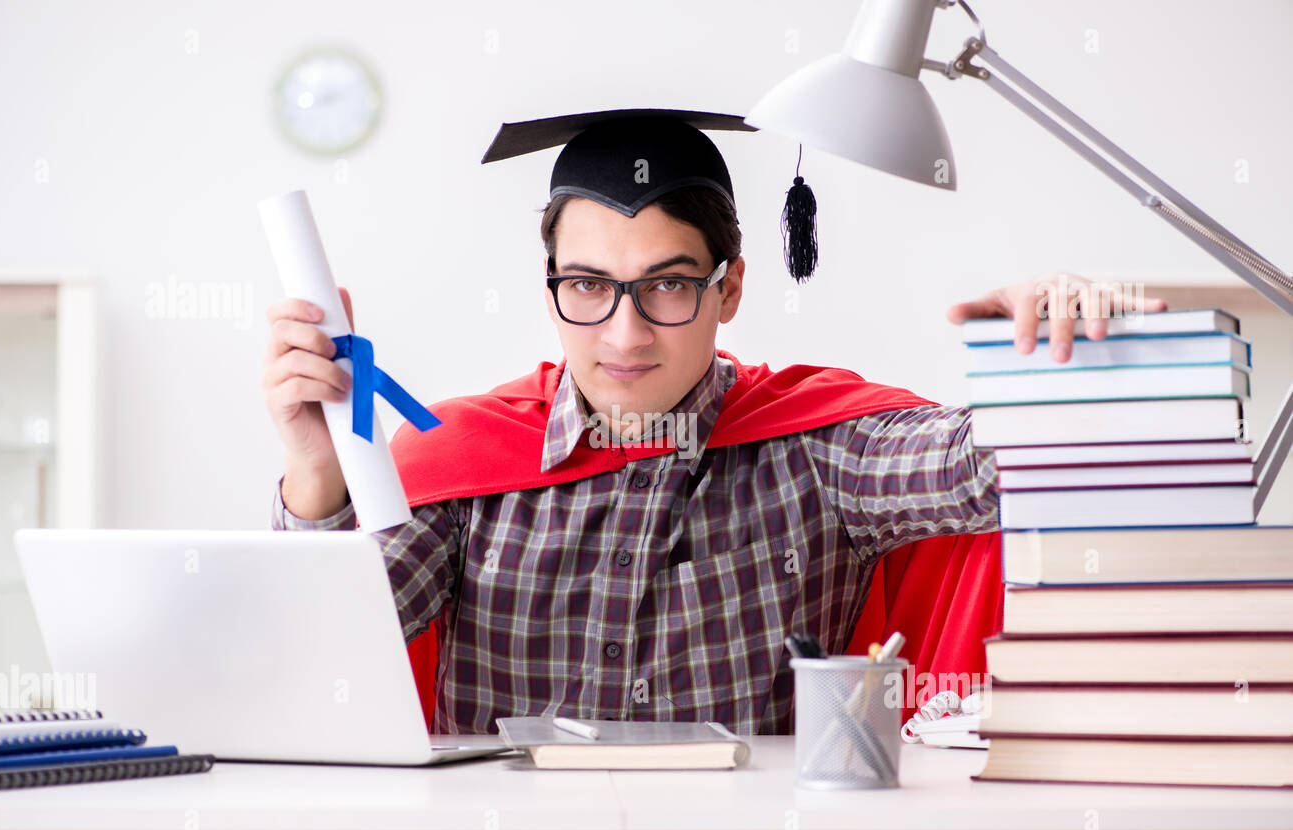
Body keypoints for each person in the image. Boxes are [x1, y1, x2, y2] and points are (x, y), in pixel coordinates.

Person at [261, 109, 1162, 735]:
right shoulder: (467, 466)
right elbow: (318, 657)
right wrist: (315, 474)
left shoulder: (821, 452)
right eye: (587, 286)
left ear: (729, 287)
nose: (624, 331)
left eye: (668, 285)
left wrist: (1057, 355)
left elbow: (990, 468)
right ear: (552, 288)